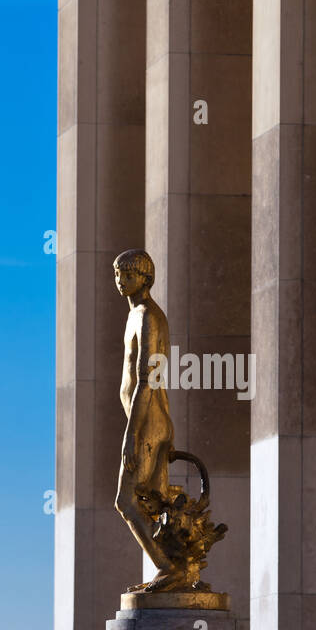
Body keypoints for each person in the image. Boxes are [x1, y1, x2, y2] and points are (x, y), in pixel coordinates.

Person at [113, 249, 176, 585]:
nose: (121, 281)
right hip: (149, 422)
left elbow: (146, 378)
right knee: (155, 502)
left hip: (147, 424)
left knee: (126, 500)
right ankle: (172, 569)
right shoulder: (136, 314)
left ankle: (169, 567)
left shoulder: (147, 315)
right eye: (118, 274)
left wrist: (131, 435)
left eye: (129, 274)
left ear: (146, 277)